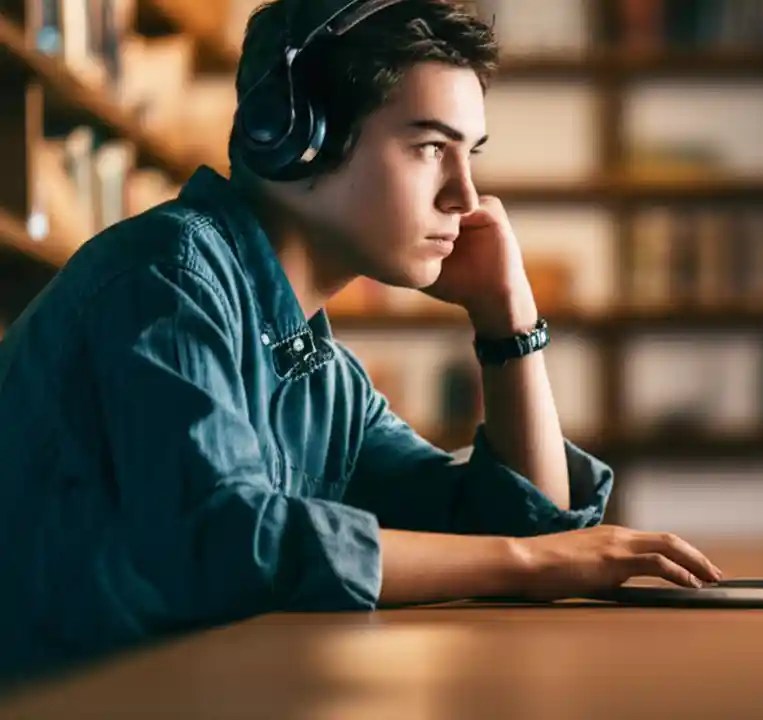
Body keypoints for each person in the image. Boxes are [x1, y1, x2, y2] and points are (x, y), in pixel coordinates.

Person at [0, 0, 721, 678]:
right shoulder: (165, 278)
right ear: (292, 135)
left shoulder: (317, 369)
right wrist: (525, 564)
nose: (466, 198)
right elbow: (227, 541)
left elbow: (514, 521)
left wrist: (509, 324)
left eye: (469, 153)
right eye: (430, 148)